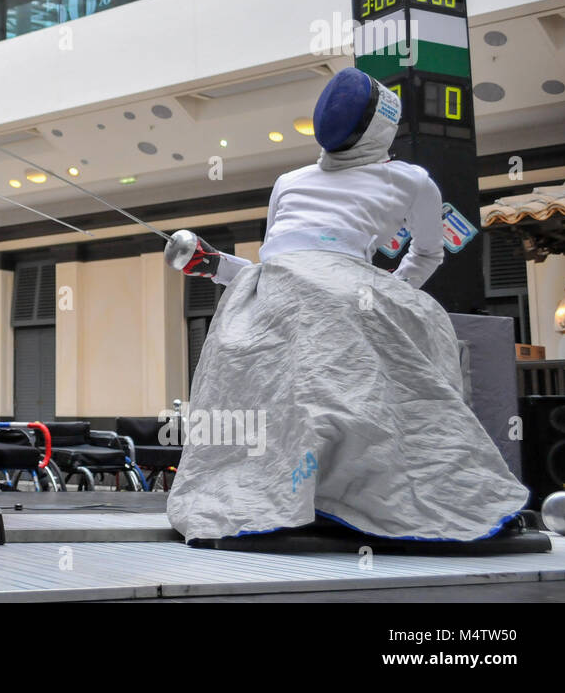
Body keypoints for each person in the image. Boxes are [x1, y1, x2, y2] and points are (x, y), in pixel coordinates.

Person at [163, 68, 527, 544]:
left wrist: (384, 294)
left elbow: (273, 263)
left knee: (322, 403)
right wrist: (393, 292)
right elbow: (415, 254)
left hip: (277, 299)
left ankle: (310, 498)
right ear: (384, 127)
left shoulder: (313, 180)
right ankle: (346, 499)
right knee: (331, 398)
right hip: (302, 294)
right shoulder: (405, 181)